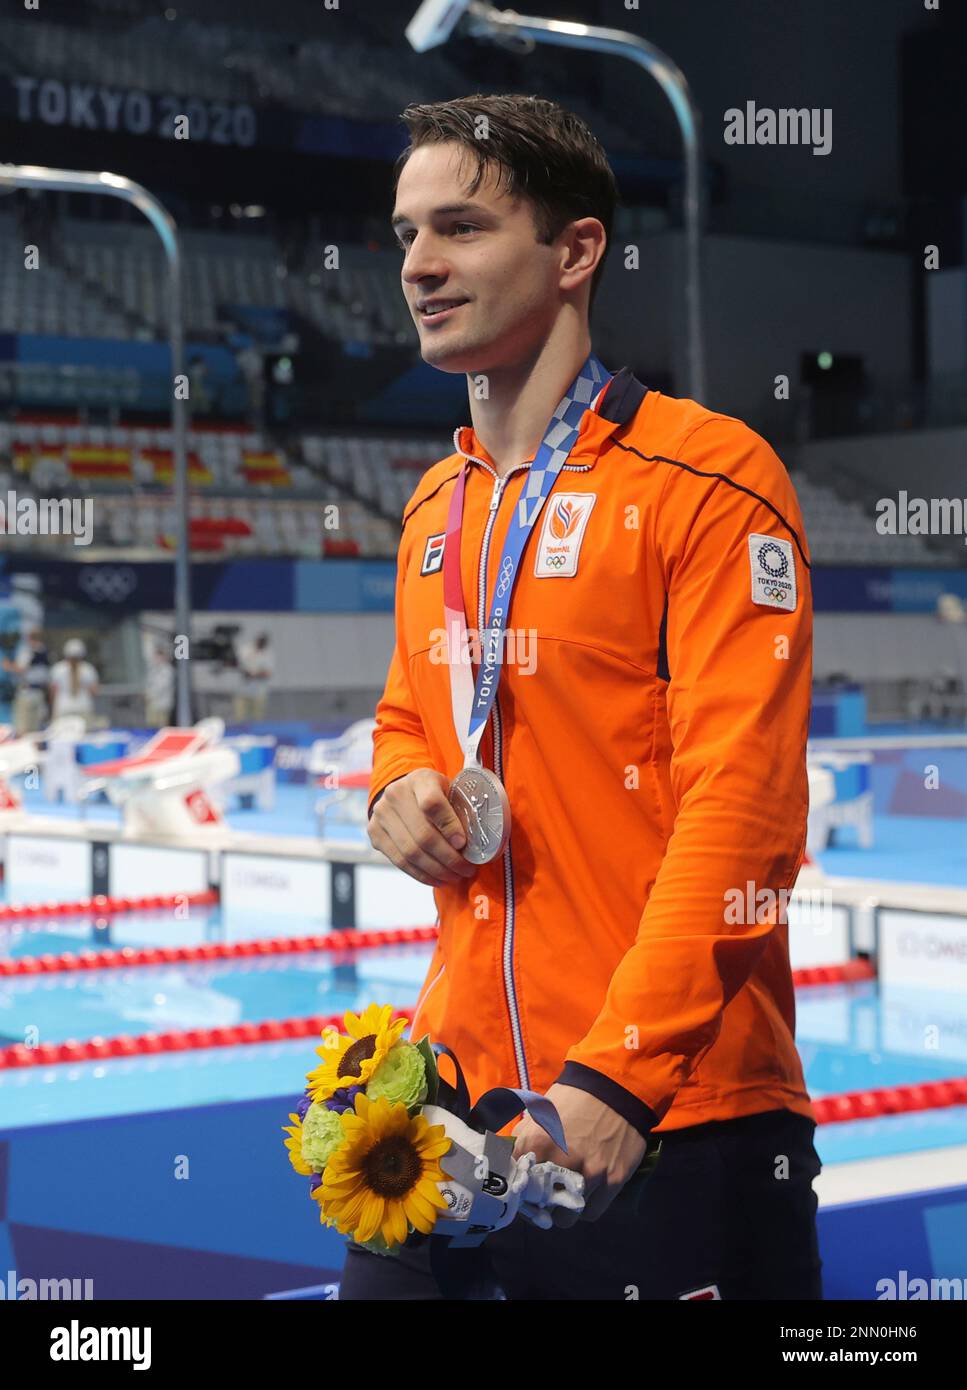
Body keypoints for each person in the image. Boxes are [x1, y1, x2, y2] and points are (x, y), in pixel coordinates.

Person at [360, 95, 821, 1301]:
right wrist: (397, 789)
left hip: (667, 1108)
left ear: (573, 254)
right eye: (406, 233)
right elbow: (412, 714)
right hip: (450, 1100)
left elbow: (749, 807)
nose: (417, 264)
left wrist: (617, 1077)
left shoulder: (704, 478)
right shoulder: (433, 507)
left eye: (458, 227)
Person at [48, 638, 99, 730]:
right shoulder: (88, 669)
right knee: (85, 735)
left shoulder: (58, 668)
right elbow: (94, 691)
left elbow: (53, 692)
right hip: (83, 706)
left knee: (61, 736)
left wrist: (52, 709)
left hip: (63, 707)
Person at [10, 628, 50, 734]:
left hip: (27, 692)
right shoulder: (45, 651)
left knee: (23, 727)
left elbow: (21, 669)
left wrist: (8, 665)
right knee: (35, 728)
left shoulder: (28, 651)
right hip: (39, 693)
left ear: (29, 638)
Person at [233, 631, 273, 723]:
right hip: (242, 691)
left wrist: (254, 675)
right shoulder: (246, 649)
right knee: (239, 718)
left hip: (259, 692)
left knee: (258, 719)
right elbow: (236, 663)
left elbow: (268, 673)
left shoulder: (268, 654)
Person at [144, 642, 175, 728]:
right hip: (153, 703)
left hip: (162, 703)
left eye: (158, 656)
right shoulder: (154, 669)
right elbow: (149, 683)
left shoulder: (167, 670)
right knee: (152, 725)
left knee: (162, 725)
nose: (156, 658)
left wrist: (150, 696)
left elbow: (162, 686)